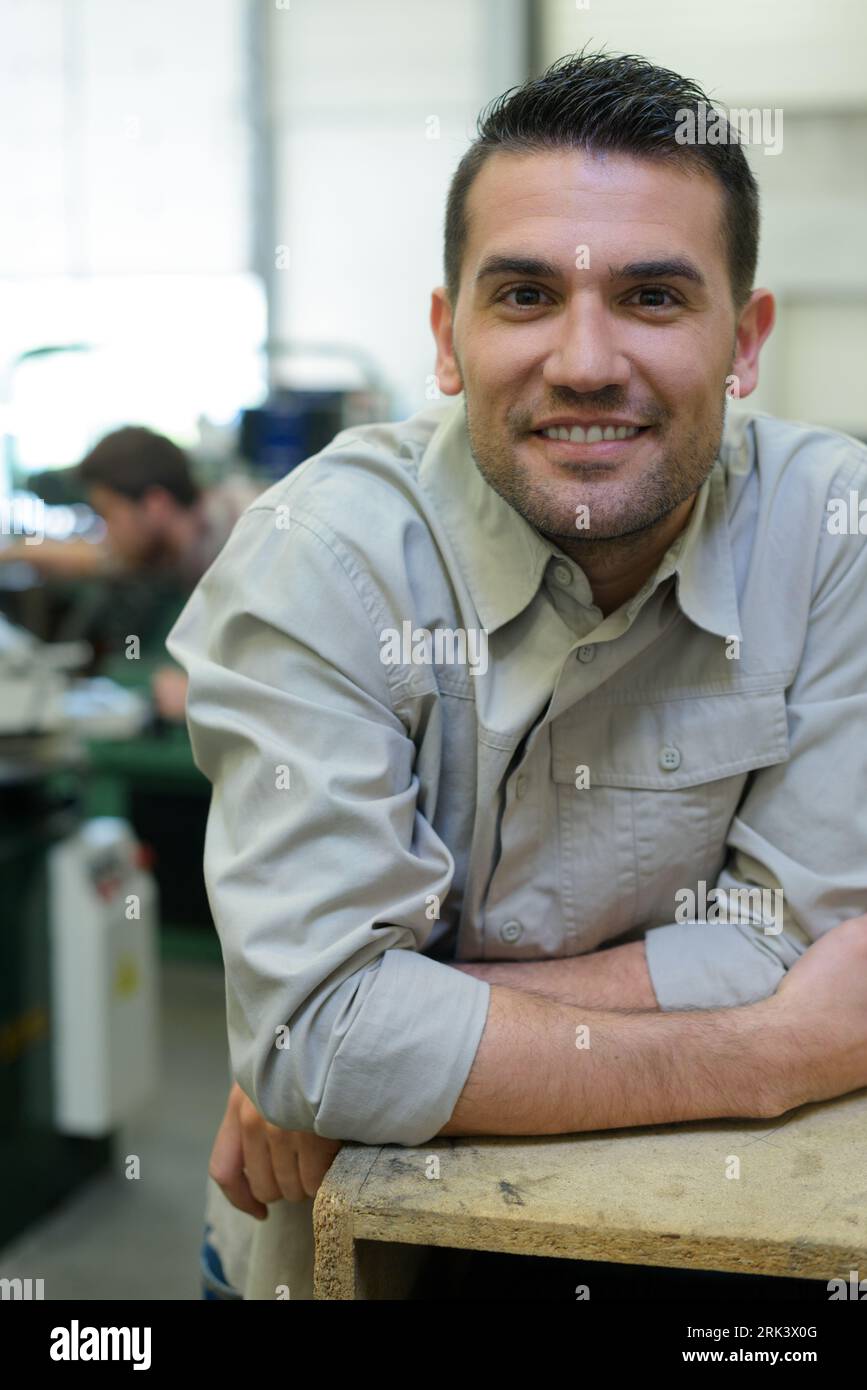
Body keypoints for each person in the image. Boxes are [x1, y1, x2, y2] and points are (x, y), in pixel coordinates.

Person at [166, 50, 867, 1300]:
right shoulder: (319, 562)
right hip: (353, 1261)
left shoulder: (832, 527)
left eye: (654, 297)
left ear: (745, 341)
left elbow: (811, 936)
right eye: (527, 295)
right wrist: (767, 1054)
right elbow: (322, 1044)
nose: (587, 362)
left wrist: (384, 1024)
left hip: (691, 1251)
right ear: (447, 336)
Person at [1, 426, 262, 718]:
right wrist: (13, 551)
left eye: (109, 514)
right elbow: (93, 557)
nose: (106, 533)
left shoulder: (245, 541)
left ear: (155, 503)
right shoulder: (172, 541)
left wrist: (205, 693)